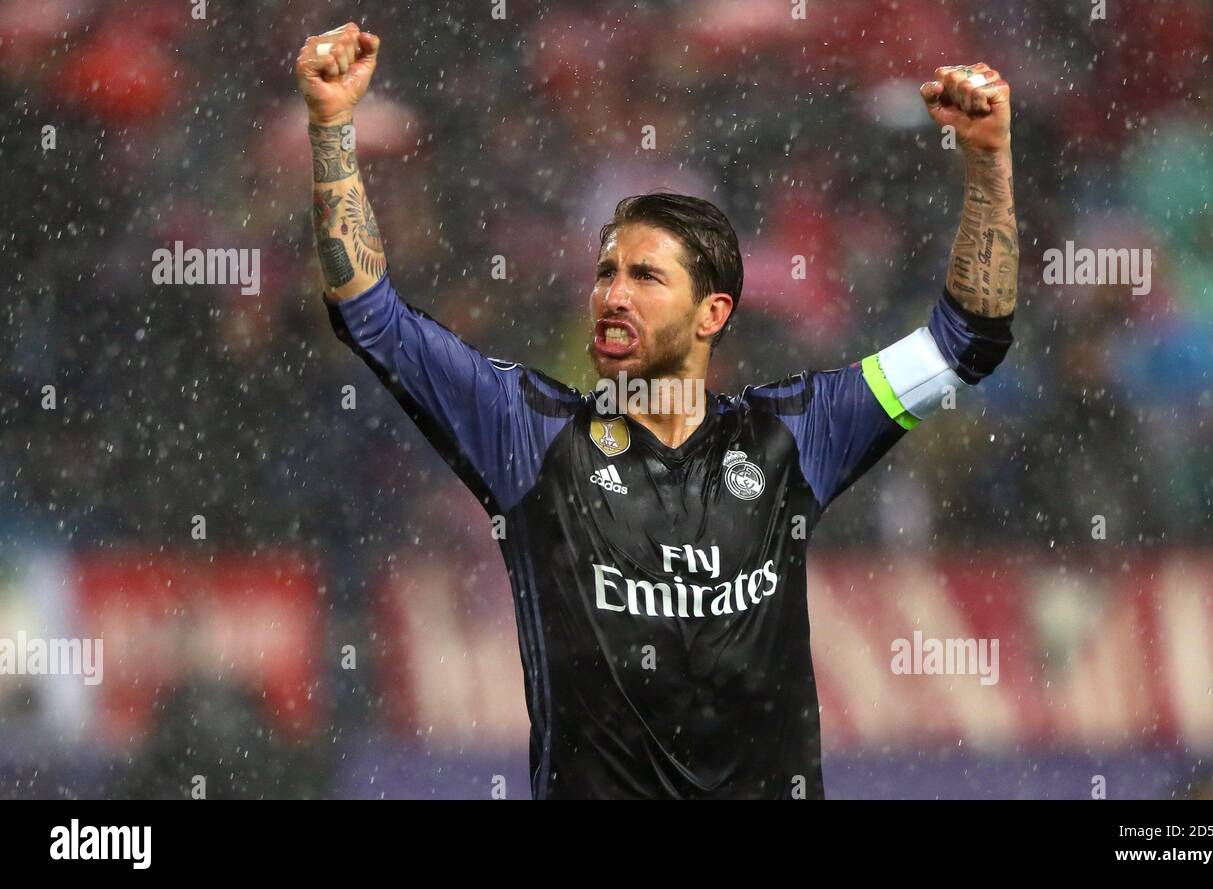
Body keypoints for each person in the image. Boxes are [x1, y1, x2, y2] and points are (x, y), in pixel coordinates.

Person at [296, 24, 1018, 799]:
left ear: (712, 313)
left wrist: (987, 157)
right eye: (606, 271)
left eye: (645, 275)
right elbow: (370, 315)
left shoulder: (794, 435)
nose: (612, 293)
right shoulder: (529, 433)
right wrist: (333, 125)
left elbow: (966, 341)